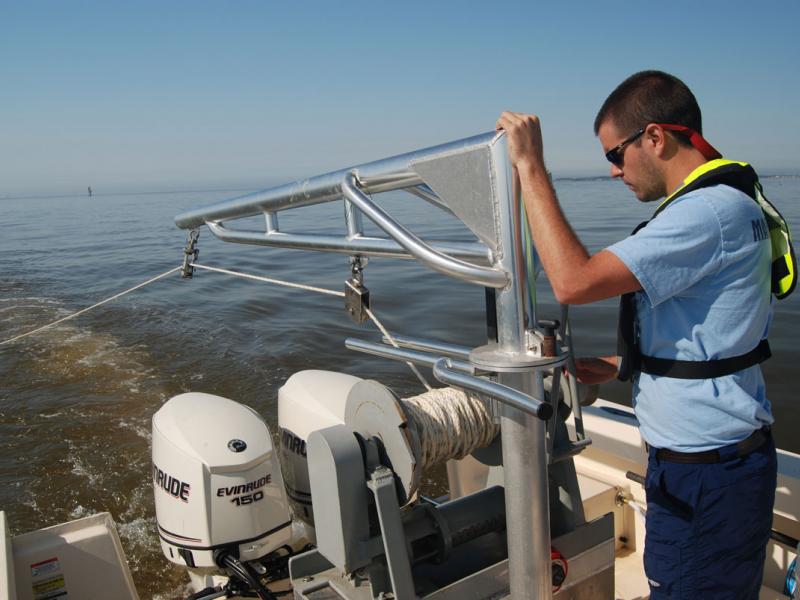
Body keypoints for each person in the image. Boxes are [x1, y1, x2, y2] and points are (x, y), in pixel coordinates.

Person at [497, 70, 778, 599]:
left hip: (703, 480)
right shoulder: (728, 204)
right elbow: (711, 339)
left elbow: (572, 280)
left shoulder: (707, 213)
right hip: (725, 464)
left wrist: (530, 167)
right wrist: (616, 365)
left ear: (654, 137)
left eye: (615, 154)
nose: (612, 171)